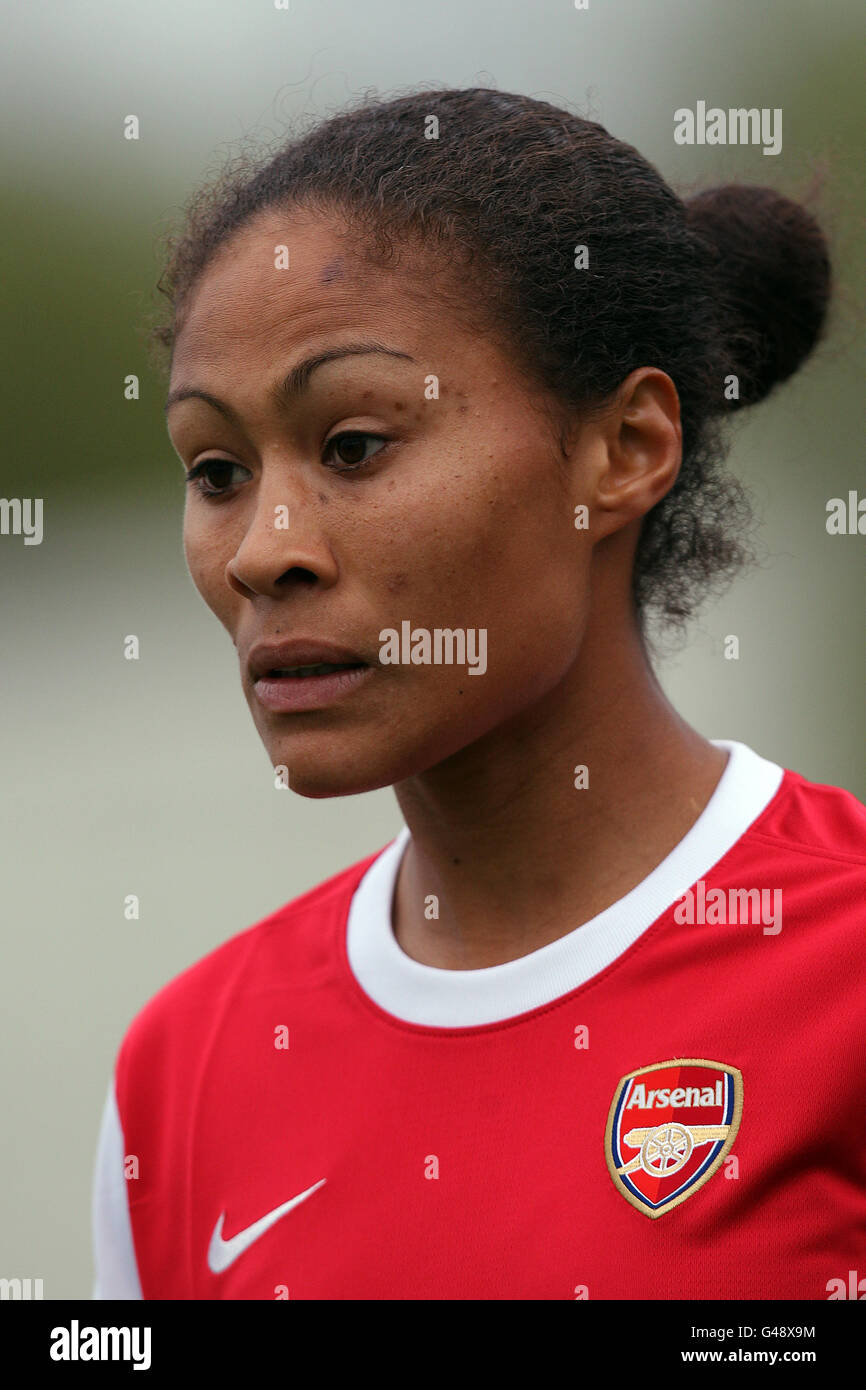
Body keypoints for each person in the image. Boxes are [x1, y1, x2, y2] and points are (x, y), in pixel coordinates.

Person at [91, 87, 864, 1300]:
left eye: (353, 444)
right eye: (218, 469)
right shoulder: (186, 1068)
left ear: (622, 449)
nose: (259, 550)